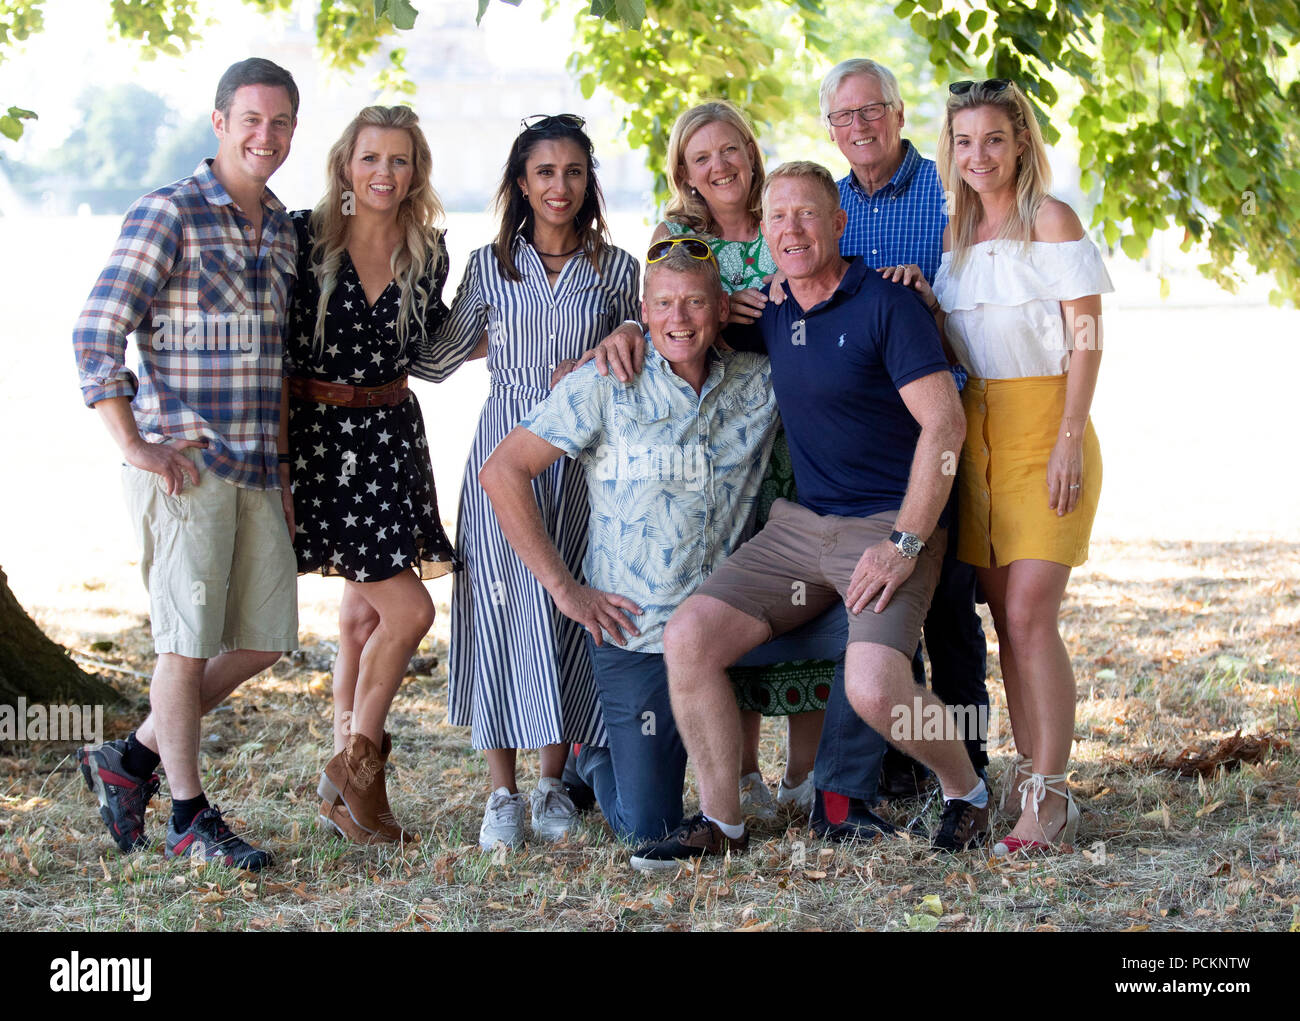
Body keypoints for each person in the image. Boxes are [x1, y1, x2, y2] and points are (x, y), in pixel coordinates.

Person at [594, 163, 988, 870]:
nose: (792, 230)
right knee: (689, 636)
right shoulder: (771, 312)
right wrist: (627, 325)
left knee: (873, 685)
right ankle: (723, 821)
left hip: (888, 523)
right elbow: (683, 318)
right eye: (778, 219)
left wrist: (903, 542)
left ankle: (968, 791)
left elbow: (946, 427)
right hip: (800, 527)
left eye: (808, 215)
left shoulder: (886, 306)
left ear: (840, 223)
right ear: (766, 235)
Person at [72, 58, 301, 870]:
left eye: (279, 122)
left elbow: (275, 365)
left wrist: (282, 475)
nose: (264, 135)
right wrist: (135, 443)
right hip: (186, 468)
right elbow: (97, 329)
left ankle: (128, 757)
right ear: (220, 121)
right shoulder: (169, 210)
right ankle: (185, 816)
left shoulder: (281, 229)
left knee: (269, 637)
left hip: (256, 469)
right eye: (250, 119)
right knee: (186, 645)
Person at [479, 237, 779, 844]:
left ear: (722, 309)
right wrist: (566, 591)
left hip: (718, 626)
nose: (679, 319)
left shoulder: (761, 383)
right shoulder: (606, 380)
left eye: (695, 303)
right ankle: (593, 754)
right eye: (664, 304)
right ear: (642, 311)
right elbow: (502, 471)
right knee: (650, 830)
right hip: (633, 633)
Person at [897, 80, 1108, 852]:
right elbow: (961, 347)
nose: (977, 154)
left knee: (1029, 615)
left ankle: (1050, 797)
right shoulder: (954, 235)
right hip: (974, 436)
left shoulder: (1050, 221)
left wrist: (1068, 435)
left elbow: (1084, 338)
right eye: (963, 140)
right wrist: (922, 299)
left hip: (1046, 429)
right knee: (1005, 623)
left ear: (1021, 142)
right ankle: (1032, 783)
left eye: (993, 138)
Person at [430, 114, 640, 850]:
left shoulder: (617, 269)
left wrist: (610, 348)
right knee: (499, 609)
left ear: (589, 182)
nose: (560, 186)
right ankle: (501, 793)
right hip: (502, 452)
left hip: (583, 458)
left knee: (569, 605)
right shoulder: (491, 266)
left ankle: (555, 781)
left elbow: (640, 352)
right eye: (545, 172)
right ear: (522, 182)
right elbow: (436, 354)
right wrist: (408, 267)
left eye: (574, 172)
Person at [805, 58, 991, 831]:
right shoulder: (832, 208)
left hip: (942, 420)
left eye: (871, 111)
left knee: (948, 604)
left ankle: (970, 770)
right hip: (868, 436)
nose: (859, 127)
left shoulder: (949, 194)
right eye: (843, 118)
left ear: (900, 112)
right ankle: (902, 767)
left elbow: (985, 304)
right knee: (886, 616)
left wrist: (927, 299)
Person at [286, 105, 460, 846]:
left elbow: (434, 349)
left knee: (362, 617)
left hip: (392, 436)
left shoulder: (429, 250)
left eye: (399, 161)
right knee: (410, 612)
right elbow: (282, 356)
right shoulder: (304, 238)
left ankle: (342, 792)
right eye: (370, 159)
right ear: (346, 165)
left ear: (415, 170)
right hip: (325, 445)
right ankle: (358, 770)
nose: (384, 174)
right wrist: (283, 469)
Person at [654, 100, 829, 822]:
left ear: (750, 153)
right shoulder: (679, 238)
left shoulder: (785, 219)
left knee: (807, 599)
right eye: (702, 157)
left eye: (730, 150)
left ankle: (806, 775)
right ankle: (743, 773)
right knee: (731, 592)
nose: (720, 166)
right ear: (686, 173)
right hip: (723, 437)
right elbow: (663, 315)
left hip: (800, 427)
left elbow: (835, 287)